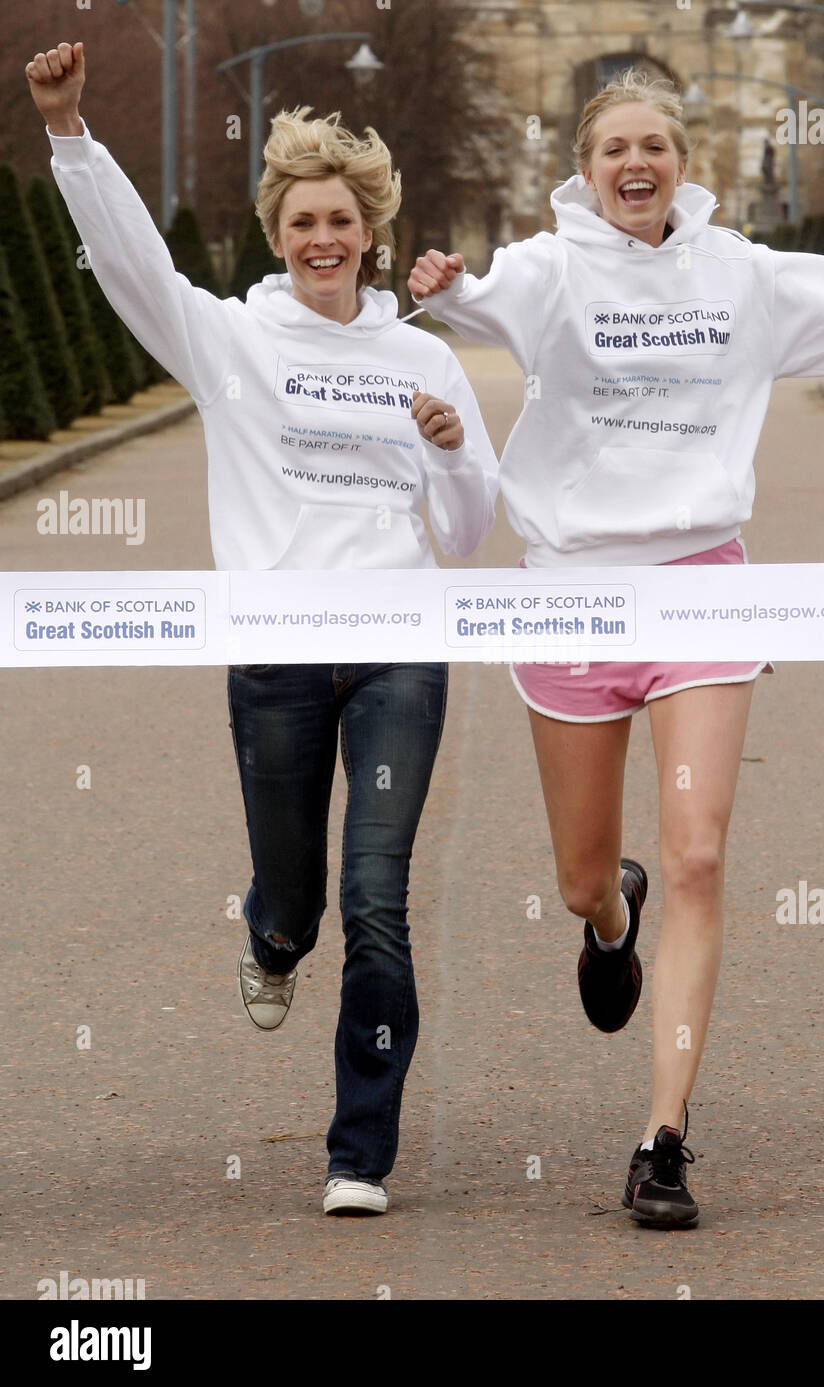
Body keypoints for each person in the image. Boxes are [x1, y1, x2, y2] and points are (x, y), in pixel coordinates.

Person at [408, 69, 824, 1229]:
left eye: (654, 146)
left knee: (695, 854)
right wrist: (446, 288)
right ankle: (610, 922)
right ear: (585, 172)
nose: (634, 165)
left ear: (681, 162)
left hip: (701, 589)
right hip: (572, 598)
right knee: (585, 874)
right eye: (613, 151)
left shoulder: (740, 274)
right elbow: (484, 299)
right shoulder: (551, 271)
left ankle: (663, 1137)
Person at [28, 41, 499, 1217]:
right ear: (276, 232)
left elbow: (472, 530)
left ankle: (358, 1152)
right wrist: (72, 135)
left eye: (340, 218)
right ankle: (273, 936)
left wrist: (448, 451)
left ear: (371, 231)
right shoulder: (231, 343)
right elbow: (134, 270)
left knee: (379, 898)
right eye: (301, 221)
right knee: (296, 899)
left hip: (396, 650)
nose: (321, 239)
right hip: (277, 655)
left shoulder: (422, 359)